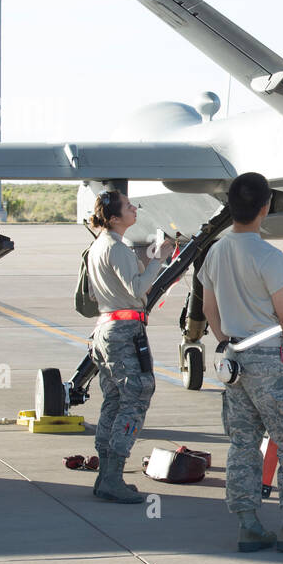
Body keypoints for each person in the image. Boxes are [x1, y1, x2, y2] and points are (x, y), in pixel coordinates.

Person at [199, 173, 283, 553]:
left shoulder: (215, 252)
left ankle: (249, 525)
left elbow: (209, 309)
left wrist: (228, 342)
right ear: (266, 208)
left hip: (234, 359)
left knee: (243, 443)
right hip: (270, 358)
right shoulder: (268, 256)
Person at [85, 190, 168, 503]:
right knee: (136, 396)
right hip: (123, 330)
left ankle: (106, 474)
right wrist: (158, 260)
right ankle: (113, 476)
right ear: (115, 218)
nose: (135, 209)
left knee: (114, 400)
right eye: (129, 206)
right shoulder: (116, 247)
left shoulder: (99, 246)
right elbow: (136, 289)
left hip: (106, 327)